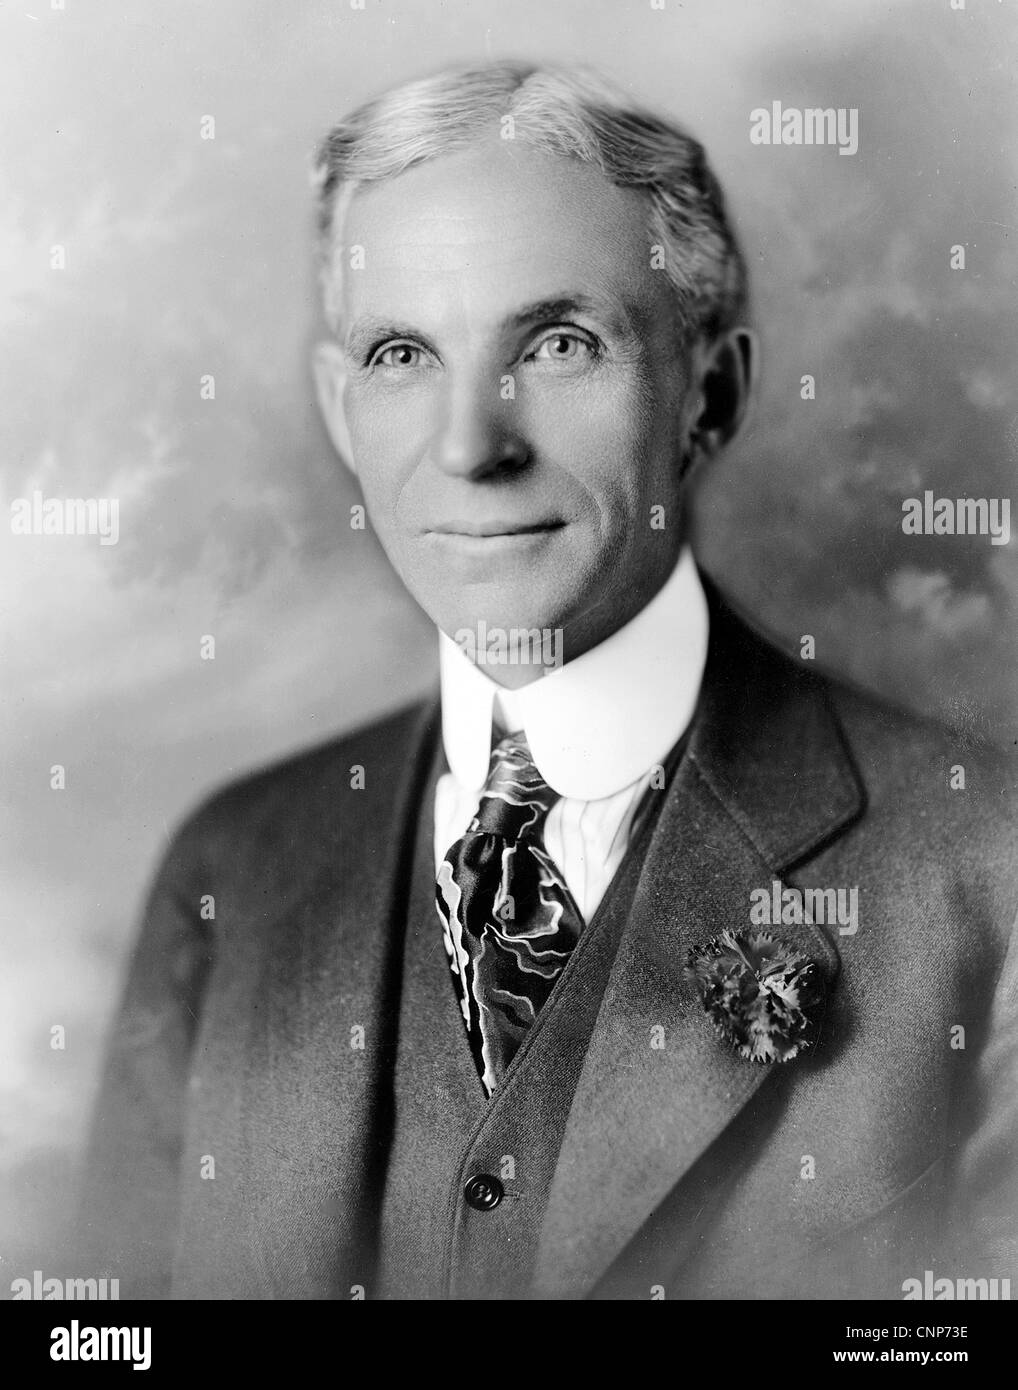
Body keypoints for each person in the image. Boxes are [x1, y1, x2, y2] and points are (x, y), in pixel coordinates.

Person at [79, 61, 1018, 1301]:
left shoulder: (985, 867)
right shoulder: (230, 872)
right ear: (337, 407)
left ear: (710, 392)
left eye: (560, 342)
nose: (471, 445)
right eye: (403, 353)